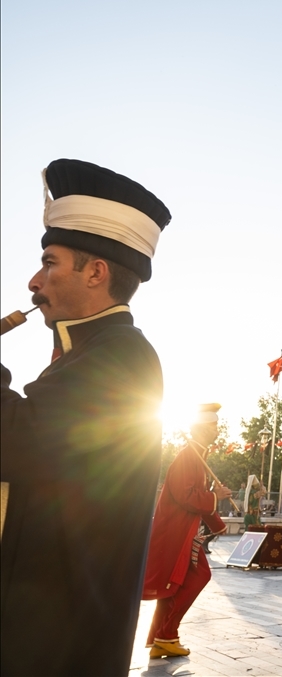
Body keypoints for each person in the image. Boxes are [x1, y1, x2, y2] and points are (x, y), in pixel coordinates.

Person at [1, 159, 170, 676]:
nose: (34, 280)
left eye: (50, 262)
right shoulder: (90, 353)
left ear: (95, 272)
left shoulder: (120, 358)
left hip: (59, 638)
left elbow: (18, 444)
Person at [142, 403, 232, 658]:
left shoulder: (198, 456)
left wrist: (218, 523)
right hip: (176, 533)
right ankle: (166, 634)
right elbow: (187, 496)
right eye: (213, 426)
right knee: (198, 576)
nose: (217, 430)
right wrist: (216, 496)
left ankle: (163, 637)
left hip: (183, 532)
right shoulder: (188, 456)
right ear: (204, 429)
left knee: (180, 583)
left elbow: (197, 498)